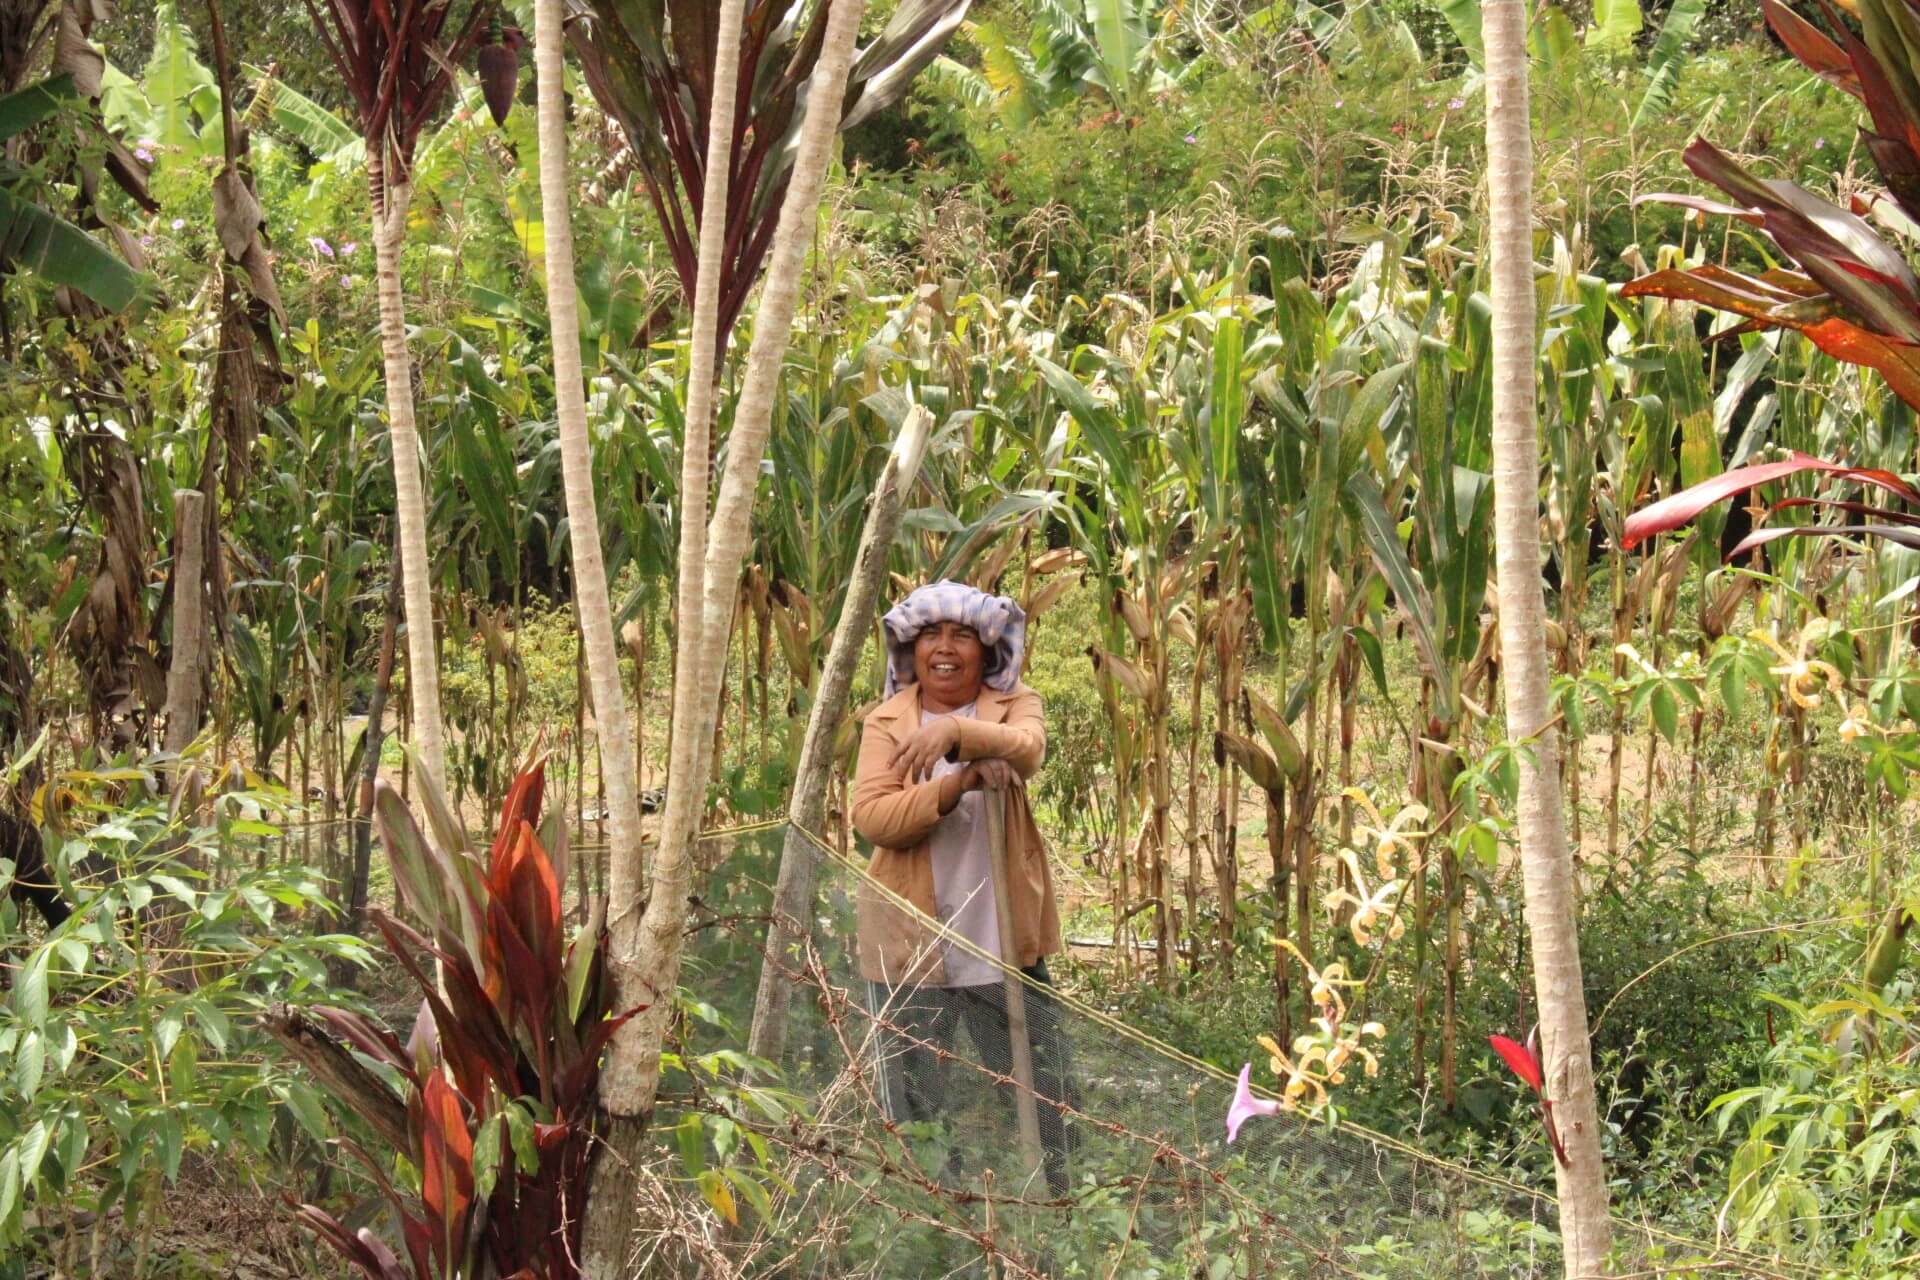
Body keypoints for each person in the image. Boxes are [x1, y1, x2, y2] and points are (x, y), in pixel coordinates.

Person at [851, 579, 1077, 1196]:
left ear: (986, 650)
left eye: (960, 635)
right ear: (910, 650)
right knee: (919, 1100)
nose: (944, 648)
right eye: (930, 635)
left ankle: (1052, 1204)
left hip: (1002, 937)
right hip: (911, 942)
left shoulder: (1014, 704)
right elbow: (873, 818)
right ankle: (937, 1218)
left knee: (1044, 1088)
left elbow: (1027, 751)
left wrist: (956, 736)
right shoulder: (887, 720)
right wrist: (958, 782)